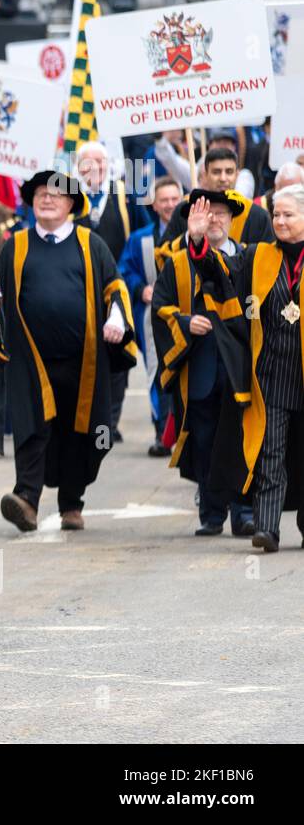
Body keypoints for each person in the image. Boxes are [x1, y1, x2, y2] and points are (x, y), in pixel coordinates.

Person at [0, 170, 138, 533]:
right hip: (31, 359)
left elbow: (114, 286)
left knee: (85, 432)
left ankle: (72, 503)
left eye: (56, 194)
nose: (47, 199)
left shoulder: (91, 244)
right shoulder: (17, 245)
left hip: (83, 359)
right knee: (33, 428)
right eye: (41, 193)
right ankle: (26, 498)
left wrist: (119, 318)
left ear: (71, 204)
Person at [183, 186, 304, 552]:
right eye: (276, 214)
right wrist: (198, 239)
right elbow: (219, 274)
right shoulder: (258, 256)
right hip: (269, 376)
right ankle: (267, 528)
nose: (280, 221)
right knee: (270, 452)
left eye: (288, 215)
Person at [152, 190, 254, 537]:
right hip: (200, 366)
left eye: (222, 214)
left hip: (239, 367)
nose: (215, 220)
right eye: (208, 214)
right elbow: (160, 307)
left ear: (232, 219)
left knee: (241, 439)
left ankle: (244, 512)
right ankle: (211, 513)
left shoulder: (249, 259)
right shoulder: (179, 262)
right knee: (205, 440)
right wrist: (184, 322)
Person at [75, 141, 150, 443]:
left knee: (118, 351)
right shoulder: (69, 198)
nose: (96, 166)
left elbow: (143, 235)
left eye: (100, 160)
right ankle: (87, 418)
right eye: (88, 161)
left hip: (117, 288)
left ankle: (111, 421)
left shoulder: (126, 195)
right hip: (79, 290)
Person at [119, 175, 184, 457]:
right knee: (157, 373)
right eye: (164, 200)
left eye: (174, 199)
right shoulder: (140, 238)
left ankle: (184, 433)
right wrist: (139, 288)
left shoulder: (194, 235)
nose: (170, 205)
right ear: (154, 205)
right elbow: (124, 270)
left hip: (188, 316)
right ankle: (162, 431)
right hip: (153, 319)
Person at [161, 147, 274, 247]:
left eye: (229, 172)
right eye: (216, 172)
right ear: (205, 175)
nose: (223, 178)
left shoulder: (256, 215)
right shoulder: (187, 209)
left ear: (237, 175)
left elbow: (267, 260)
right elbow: (161, 256)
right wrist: (189, 238)